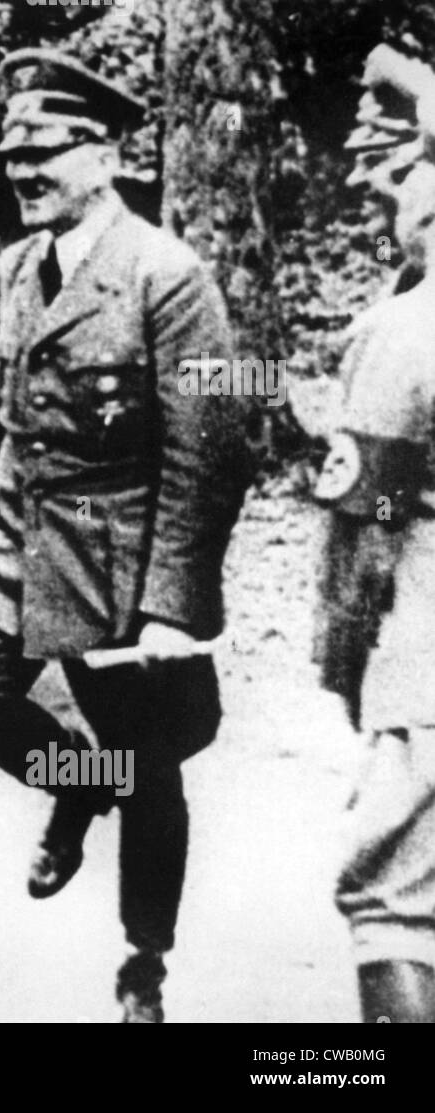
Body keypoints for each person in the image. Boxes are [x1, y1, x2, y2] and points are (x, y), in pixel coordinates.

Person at [0, 48, 254, 1022]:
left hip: (118, 553)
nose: (23, 174)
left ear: (103, 156)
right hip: (19, 535)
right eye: (11, 156)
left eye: (47, 153)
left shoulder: (166, 276)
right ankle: (79, 782)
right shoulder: (12, 271)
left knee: (152, 766)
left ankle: (144, 964)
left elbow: (207, 453)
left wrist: (167, 611)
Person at [315, 47, 435, 1023]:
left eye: (389, 173)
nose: (368, 190)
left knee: (389, 904)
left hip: (429, 660)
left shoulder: (405, 330)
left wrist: (347, 665)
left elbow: (368, 524)